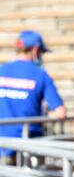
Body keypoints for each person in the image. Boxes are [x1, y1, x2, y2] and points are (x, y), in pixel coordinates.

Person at [0, 30, 66, 164]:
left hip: (3, 144)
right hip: (29, 144)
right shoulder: (40, 74)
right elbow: (60, 112)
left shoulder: (2, 70)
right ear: (35, 50)